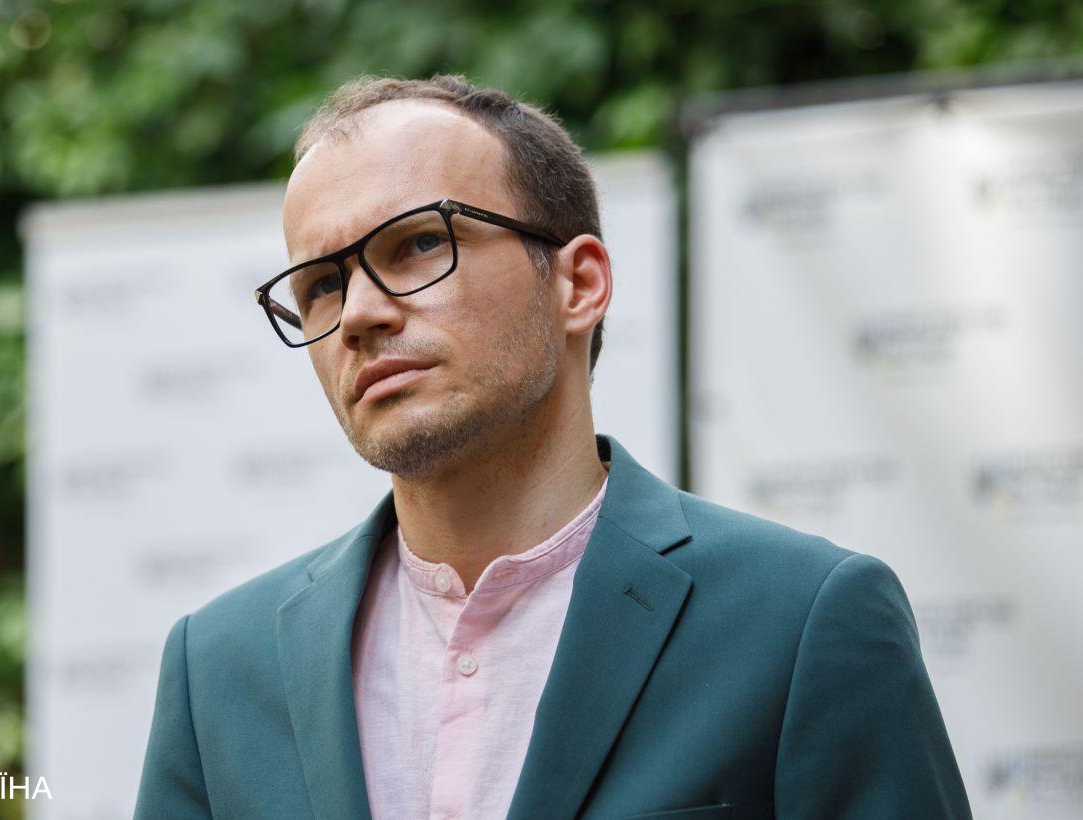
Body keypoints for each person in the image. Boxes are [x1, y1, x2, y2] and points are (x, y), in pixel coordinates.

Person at [133, 74, 972, 820]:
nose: (358, 314)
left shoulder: (800, 622)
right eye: (322, 284)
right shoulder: (218, 671)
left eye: (418, 244)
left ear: (579, 283)